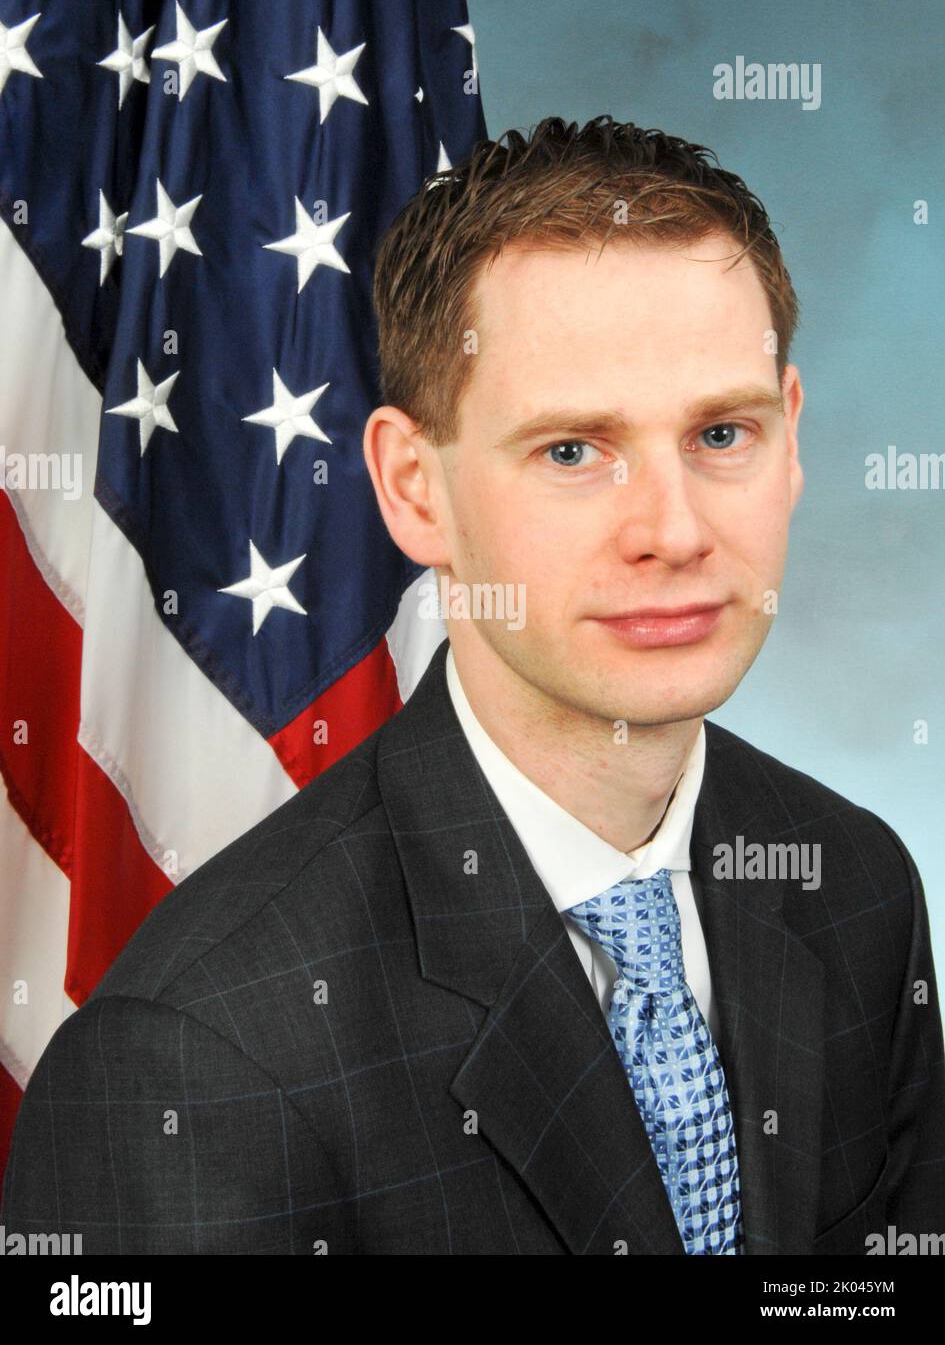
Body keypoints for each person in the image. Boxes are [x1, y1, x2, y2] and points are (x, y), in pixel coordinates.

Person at [3, 115, 943, 1255]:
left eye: (721, 433)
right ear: (414, 489)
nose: (675, 529)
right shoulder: (202, 1053)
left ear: (791, 440)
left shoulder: (855, 886)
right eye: (570, 451)